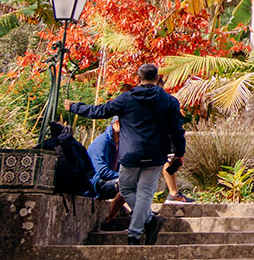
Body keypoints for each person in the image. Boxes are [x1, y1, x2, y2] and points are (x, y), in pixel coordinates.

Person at [68, 63, 186, 246]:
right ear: (157, 79)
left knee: (125, 189)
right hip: (156, 155)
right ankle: (138, 230)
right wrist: (179, 153)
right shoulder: (169, 101)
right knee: (145, 193)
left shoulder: (126, 99)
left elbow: (99, 111)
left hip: (131, 154)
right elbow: (177, 130)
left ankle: (142, 227)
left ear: (138, 79)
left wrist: (74, 107)